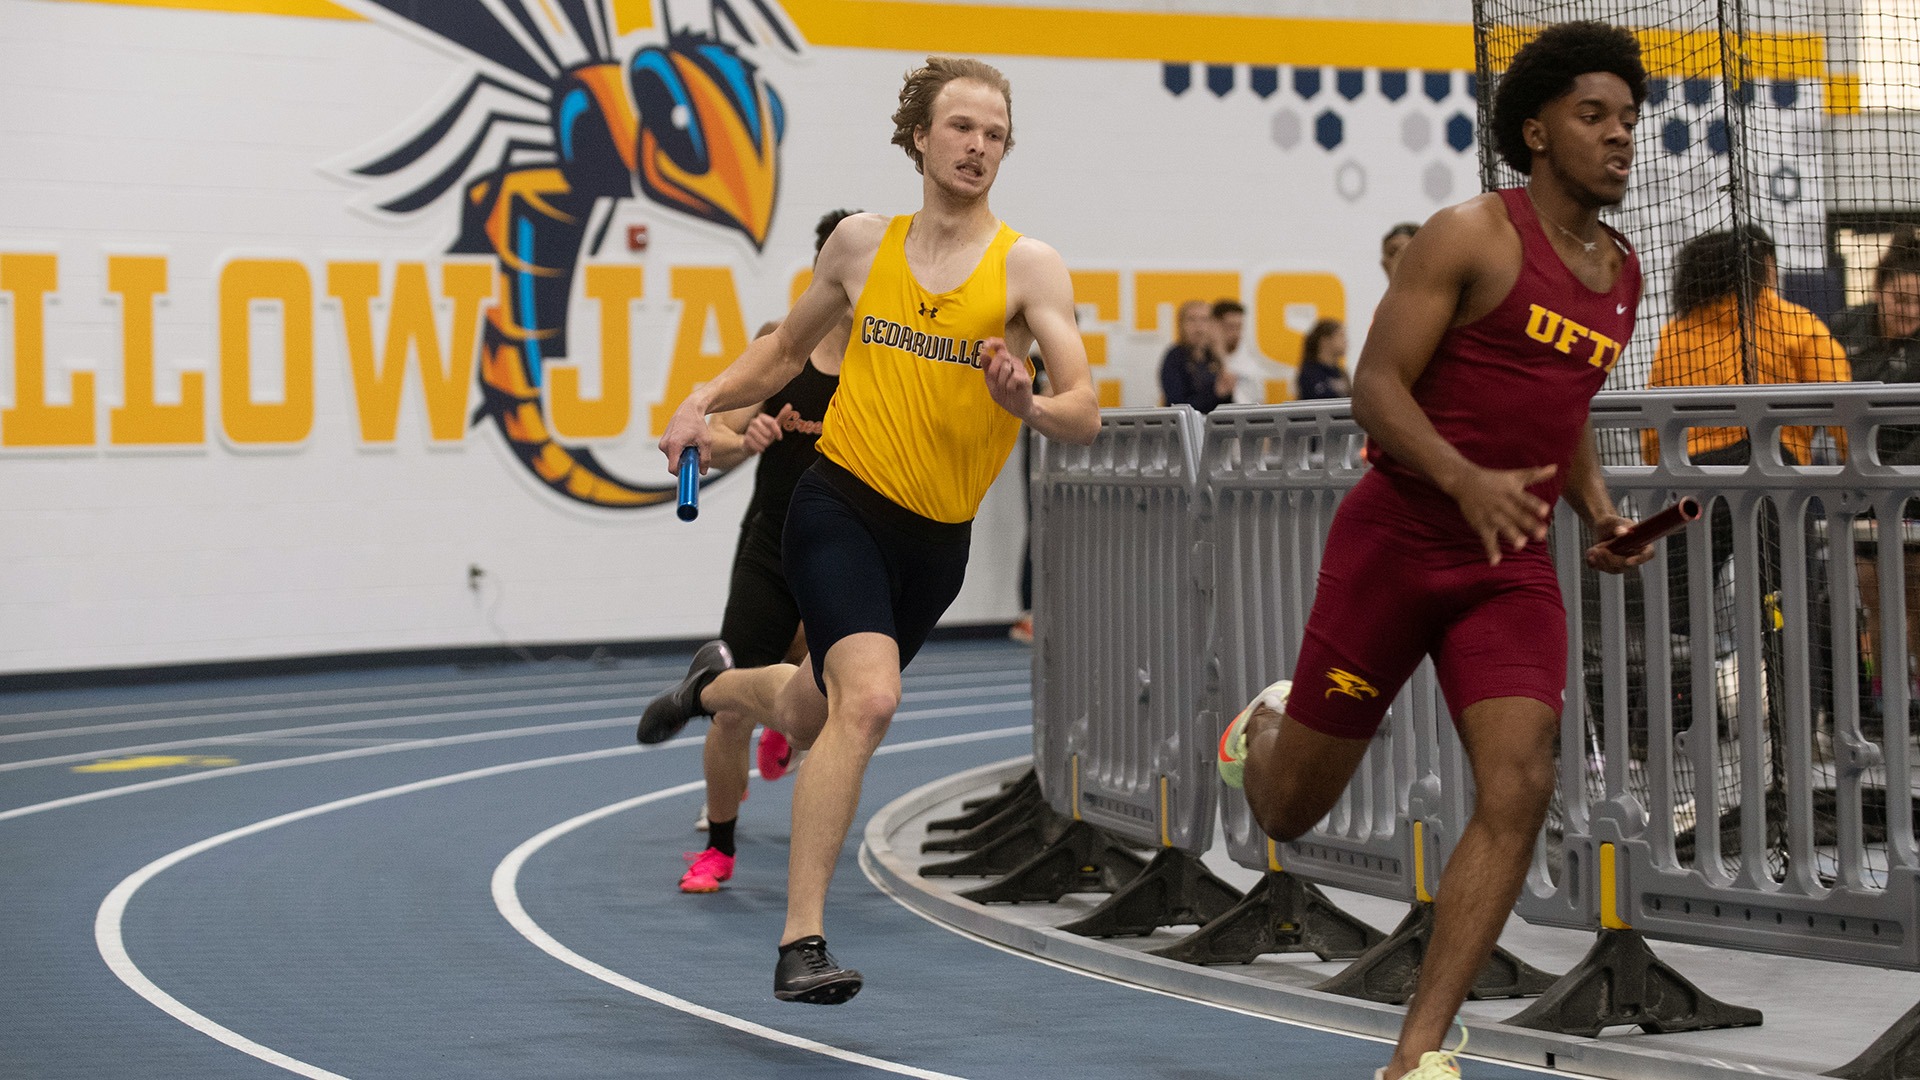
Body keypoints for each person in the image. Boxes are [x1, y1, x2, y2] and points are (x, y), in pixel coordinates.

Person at [1217, 22, 1652, 1079]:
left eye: (1630, 121)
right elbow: (1375, 388)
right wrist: (1463, 479)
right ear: (1537, 130)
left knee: (1520, 786)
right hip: (1399, 546)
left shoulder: (1623, 271)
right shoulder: (1469, 235)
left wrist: (1593, 508)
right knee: (1287, 808)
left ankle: (1418, 1053)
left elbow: (1564, 408)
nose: (1619, 139)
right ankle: (1261, 731)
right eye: (1594, 117)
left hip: (1506, 569)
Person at [639, 56, 1099, 1004]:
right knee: (870, 702)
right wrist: (699, 400)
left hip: (936, 542)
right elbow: (780, 351)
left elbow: (1084, 410)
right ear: (920, 136)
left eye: (996, 134)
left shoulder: (1027, 266)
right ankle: (800, 942)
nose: (979, 146)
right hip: (838, 502)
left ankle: (712, 683)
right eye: (962, 127)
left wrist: (1027, 401)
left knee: (814, 712)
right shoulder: (858, 246)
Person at [677, 208, 859, 894]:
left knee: (825, 713)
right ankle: (719, 848)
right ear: (822, 271)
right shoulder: (777, 347)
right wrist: (745, 439)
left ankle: (785, 728)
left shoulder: (883, 360)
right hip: (770, 548)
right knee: (728, 707)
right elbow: (716, 443)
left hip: (844, 551)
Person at [1639, 224, 1849, 468]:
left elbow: (1655, 421)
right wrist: (1857, 464)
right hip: (1771, 463)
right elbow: (1839, 400)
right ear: (1763, 267)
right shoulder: (1793, 323)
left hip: (1690, 468)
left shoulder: (1675, 333)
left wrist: (1663, 470)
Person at [1833, 232, 1920, 716]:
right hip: (1855, 493)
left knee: (1916, 598)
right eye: (1902, 297)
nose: (1910, 310)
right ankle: (1884, 696)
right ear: (1879, 288)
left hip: (1913, 493)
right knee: (1875, 603)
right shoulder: (1844, 331)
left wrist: (1894, 473)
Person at [1158, 299, 1232, 412]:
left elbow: (1227, 402)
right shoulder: (1175, 357)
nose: (1198, 326)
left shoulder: (1213, 357)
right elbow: (1176, 405)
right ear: (1181, 324)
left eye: (1204, 319)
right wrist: (1215, 393)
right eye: (1192, 319)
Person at [1216, 298, 1265, 405]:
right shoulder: (1204, 361)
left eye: (1239, 326)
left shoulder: (1251, 364)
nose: (1236, 333)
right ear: (1215, 326)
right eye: (1230, 326)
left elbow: (1260, 401)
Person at [1295, 318, 1351, 400]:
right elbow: (1317, 398)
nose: (1345, 341)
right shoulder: (1310, 373)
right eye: (1340, 335)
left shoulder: (1342, 373)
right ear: (1324, 341)